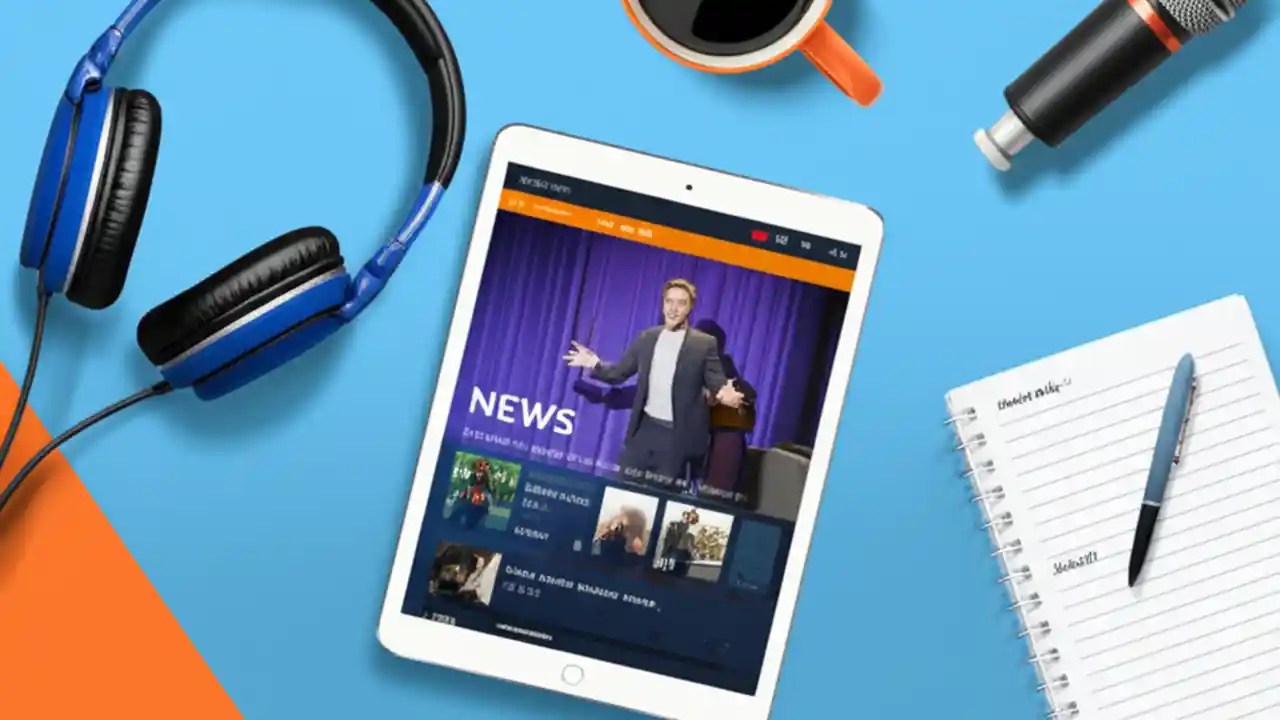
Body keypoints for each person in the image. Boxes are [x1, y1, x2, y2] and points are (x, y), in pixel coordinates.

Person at [564, 279, 744, 487]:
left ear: (690, 308)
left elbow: (718, 385)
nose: (673, 309)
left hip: (676, 440)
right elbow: (619, 373)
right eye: (669, 302)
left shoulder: (705, 347)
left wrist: (723, 393)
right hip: (643, 432)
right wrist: (593, 363)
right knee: (619, 493)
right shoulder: (648, 337)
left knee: (656, 500)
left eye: (681, 303)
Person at [447, 457, 494, 529]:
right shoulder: (473, 477)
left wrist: (490, 505)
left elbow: (487, 493)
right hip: (471, 503)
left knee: (470, 523)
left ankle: (472, 521)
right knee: (461, 512)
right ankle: (457, 519)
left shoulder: (486, 479)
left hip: (478, 506)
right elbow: (468, 489)